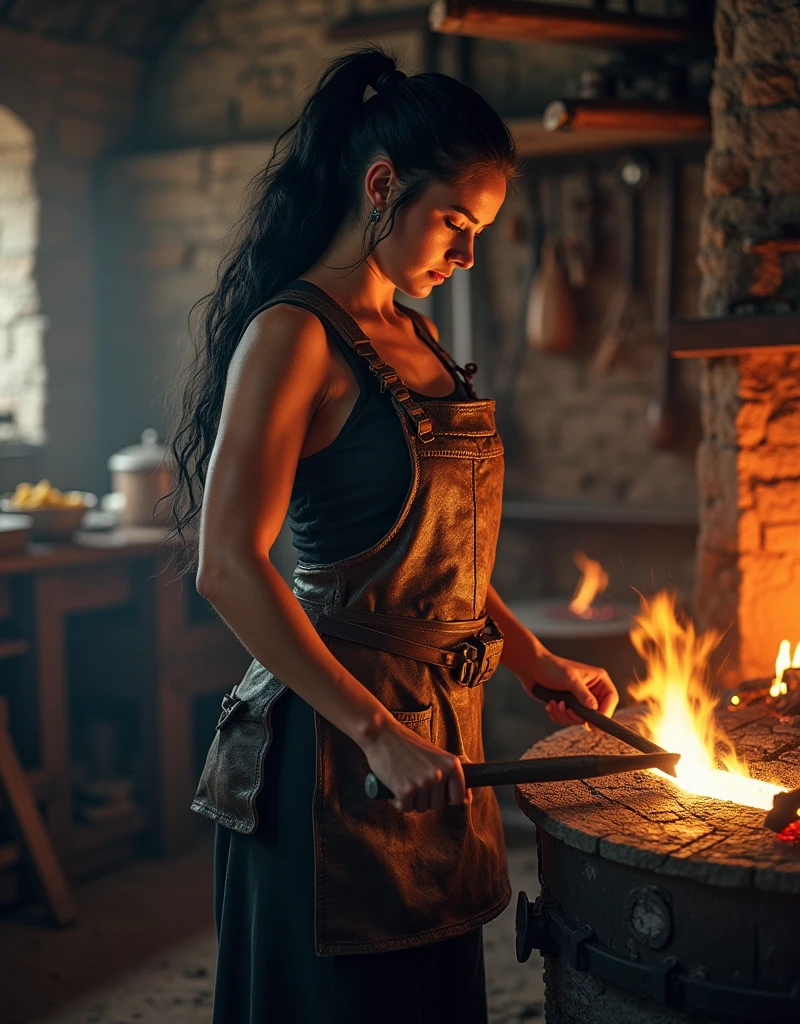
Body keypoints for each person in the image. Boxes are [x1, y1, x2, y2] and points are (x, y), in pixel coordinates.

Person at [166, 47, 618, 1024]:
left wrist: (527, 652)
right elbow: (228, 567)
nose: (464, 255)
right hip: (328, 747)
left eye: (477, 234)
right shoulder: (292, 335)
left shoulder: (413, 337)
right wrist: (371, 727)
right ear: (381, 186)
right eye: (454, 223)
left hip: (431, 727)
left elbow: (434, 550)